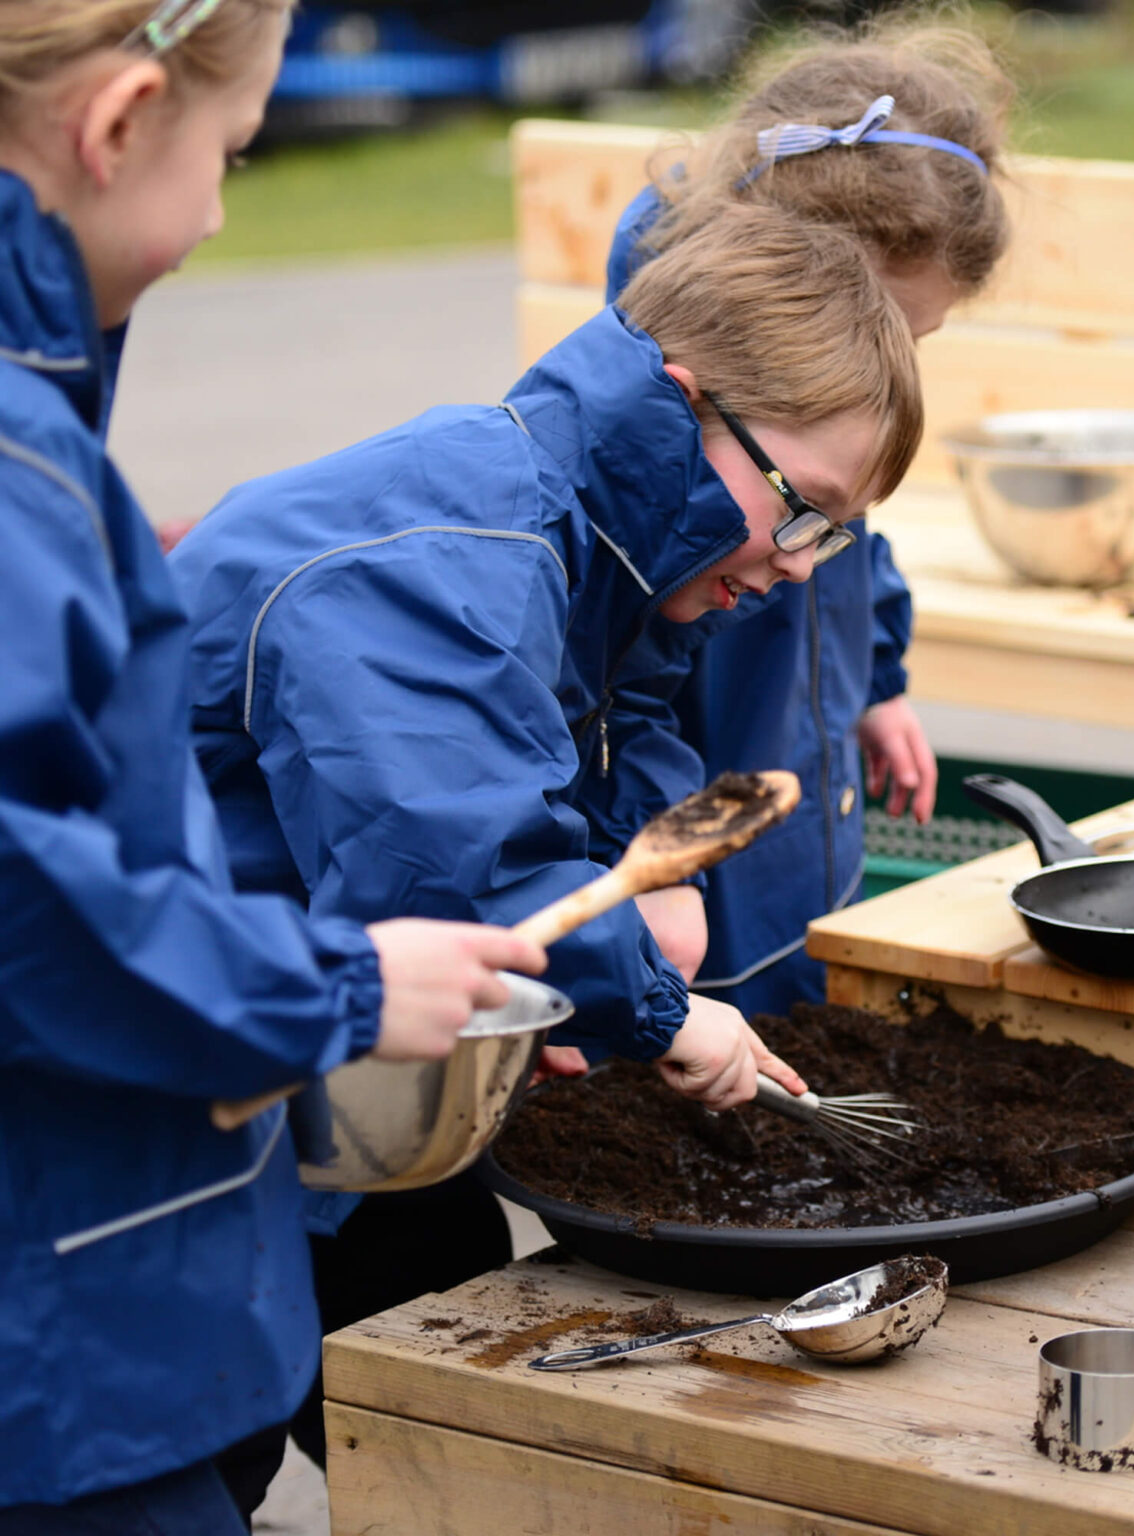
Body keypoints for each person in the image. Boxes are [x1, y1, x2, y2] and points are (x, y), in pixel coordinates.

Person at [168, 200, 923, 1464]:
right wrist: (663, 1014)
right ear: (685, 408)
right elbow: (451, 869)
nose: (803, 565)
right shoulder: (444, 559)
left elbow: (623, 712)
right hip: (171, 1082)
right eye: (805, 510)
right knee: (204, 1449)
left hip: (306, 1034)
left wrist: (645, 874)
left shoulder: (601, 536)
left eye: (834, 536)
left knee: (432, 1354)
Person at [0, 2, 551, 1530]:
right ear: (118, 124)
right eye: (231, 153)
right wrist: (339, 989)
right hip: (58, 1354)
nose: (217, 216)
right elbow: (24, 897)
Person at [603, 15, 1013, 1018]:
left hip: (806, 752)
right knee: (710, 996)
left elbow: (853, 525)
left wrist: (876, 676)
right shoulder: (659, 440)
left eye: (913, 341)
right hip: (702, 797)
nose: (891, 365)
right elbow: (621, 695)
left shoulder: (807, 420)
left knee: (803, 961)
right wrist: (657, 863)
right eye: (887, 328)